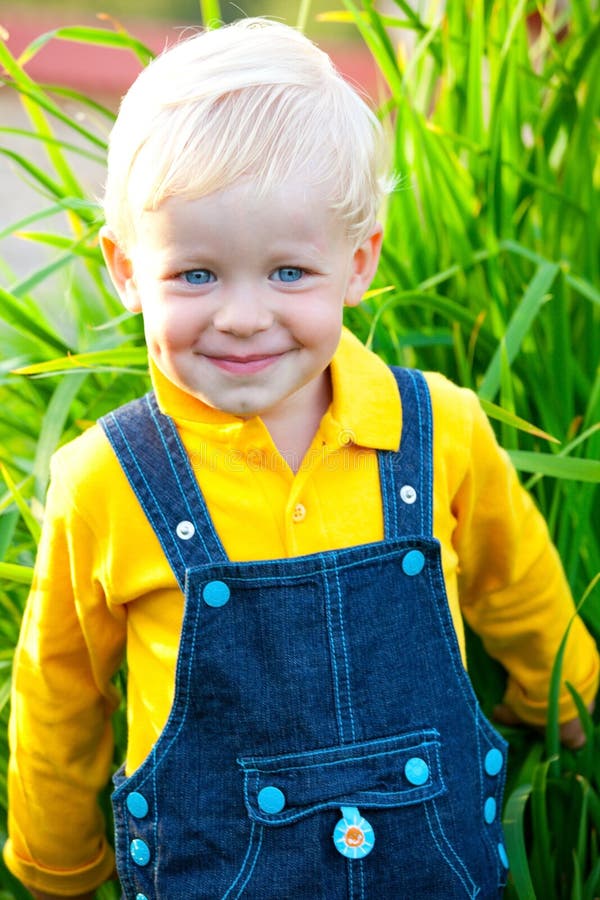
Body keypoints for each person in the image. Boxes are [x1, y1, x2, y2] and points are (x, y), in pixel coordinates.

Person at [4, 17, 598, 900]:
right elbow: (62, 688)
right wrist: (55, 862)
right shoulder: (107, 479)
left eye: (288, 273)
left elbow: (513, 579)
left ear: (358, 263)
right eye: (196, 275)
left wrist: (567, 691)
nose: (244, 317)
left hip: (431, 874)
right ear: (126, 269)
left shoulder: (438, 430)